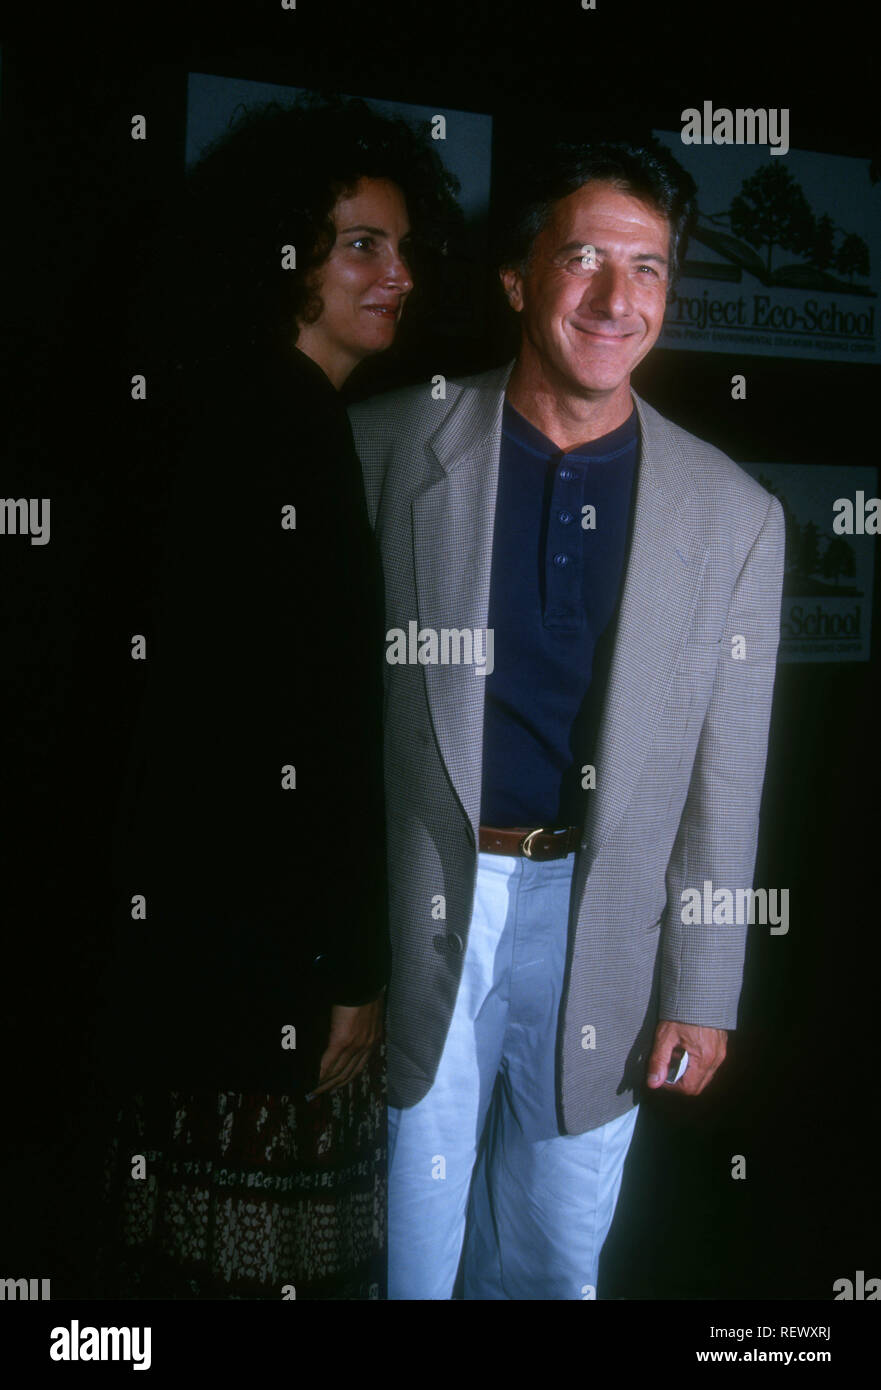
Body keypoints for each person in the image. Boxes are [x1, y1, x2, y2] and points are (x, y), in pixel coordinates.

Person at [349, 138, 785, 1299]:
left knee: (552, 1259)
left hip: (602, 924)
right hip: (421, 902)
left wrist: (701, 981)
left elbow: (724, 779)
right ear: (516, 277)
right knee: (406, 1247)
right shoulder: (385, 446)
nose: (614, 297)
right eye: (583, 256)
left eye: (645, 268)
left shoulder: (735, 513)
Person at [98, 97, 458, 1300]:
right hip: (263, 958)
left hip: (203, 940)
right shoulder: (283, 431)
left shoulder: (255, 411)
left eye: (402, 247)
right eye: (360, 243)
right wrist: (346, 962)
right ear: (283, 253)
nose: (395, 273)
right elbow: (304, 733)